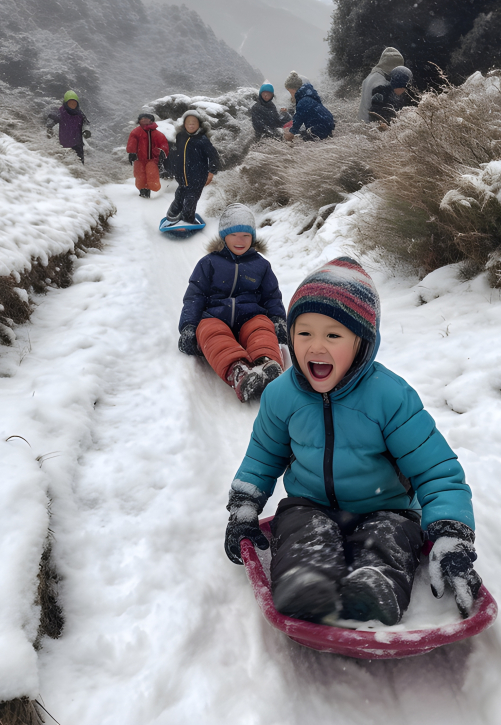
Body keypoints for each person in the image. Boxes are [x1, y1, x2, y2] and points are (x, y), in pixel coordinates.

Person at [224, 257, 481, 626]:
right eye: (304, 333)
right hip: (308, 505)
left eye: (333, 335)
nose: (316, 347)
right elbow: (263, 455)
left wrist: (451, 533)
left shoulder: (389, 397)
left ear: (362, 343)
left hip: (385, 508)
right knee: (299, 531)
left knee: (390, 538)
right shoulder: (281, 396)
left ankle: (375, 585)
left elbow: (435, 471)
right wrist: (245, 505)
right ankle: (307, 580)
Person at [178, 204, 287, 402]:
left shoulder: (261, 265)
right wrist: (189, 326)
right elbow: (195, 295)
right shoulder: (209, 263)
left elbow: (272, 296)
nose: (240, 240)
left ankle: (268, 365)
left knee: (262, 327)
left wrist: (278, 319)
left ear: (252, 238)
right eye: (234, 234)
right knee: (211, 332)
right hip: (215, 316)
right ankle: (239, 371)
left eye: (246, 235)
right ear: (224, 236)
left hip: (250, 315)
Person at [166, 110, 219, 225]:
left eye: (194, 122)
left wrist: (211, 172)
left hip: (197, 177)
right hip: (182, 177)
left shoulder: (202, 139)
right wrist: (171, 169)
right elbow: (176, 155)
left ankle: (187, 220)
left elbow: (214, 156)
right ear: (184, 124)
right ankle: (172, 215)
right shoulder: (180, 136)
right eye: (188, 122)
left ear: (199, 124)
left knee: (191, 199)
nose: (191, 125)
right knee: (179, 197)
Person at [127, 113, 169, 198]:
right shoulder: (136, 132)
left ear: (152, 121)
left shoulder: (157, 134)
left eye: (147, 119)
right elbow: (132, 142)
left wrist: (162, 155)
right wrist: (132, 153)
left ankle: (149, 190)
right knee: (140, 176)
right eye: (142, 120)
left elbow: (163, 145)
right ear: (139, 121)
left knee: (152, 176)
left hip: (152, 159)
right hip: (139, 159)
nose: (145, 121)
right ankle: (143, 192)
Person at [283, 72, 334, 142]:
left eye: (290, 92)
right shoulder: (310, 96)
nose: (291, 95)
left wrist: (290, 134)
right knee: (302, 134)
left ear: (294, 89)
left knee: (300, 141)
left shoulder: (303, 102)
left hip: (319, 130)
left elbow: (298, 120)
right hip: (327, 126)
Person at [358, 47, 405, 122]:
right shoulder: (381, 83)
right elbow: (378, 112)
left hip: (362, 122)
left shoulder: (371, 76)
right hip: (371, 125)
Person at [46, 90, 91, 164]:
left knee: (80, 163)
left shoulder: (80, 114)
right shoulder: (60, 112)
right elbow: (52, 119)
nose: (73, 105)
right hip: (64, 143)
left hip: (77, 143)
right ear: (66, 103)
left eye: (74, 103)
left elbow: (86, 123)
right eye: (70, 103)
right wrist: (49, 127)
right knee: (63, 162)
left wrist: (86, 131)